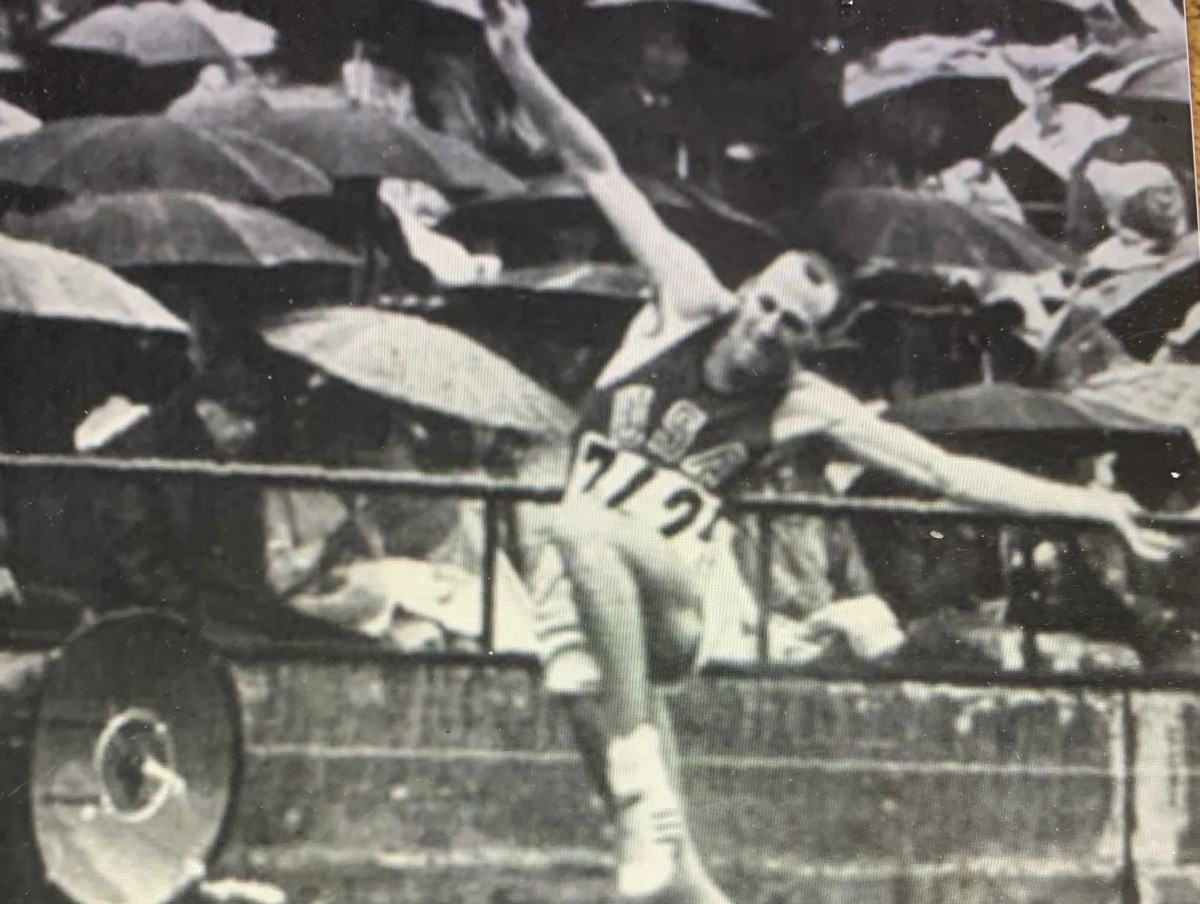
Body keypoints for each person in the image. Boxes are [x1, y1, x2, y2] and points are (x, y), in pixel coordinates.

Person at [480, 2, 1176, 902]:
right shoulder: (683, 302)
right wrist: (513, 58)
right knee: (588, 706)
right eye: (765, 306)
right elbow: (595, 164)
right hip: (585, 591)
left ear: (809, 345)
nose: (766, 331)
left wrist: (1096, 505)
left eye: (791, 328)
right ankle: (690, 880)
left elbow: (944, 473)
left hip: (679, 605)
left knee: (578, 533)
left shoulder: (802, 401)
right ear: (745, 292)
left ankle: (640, 787)